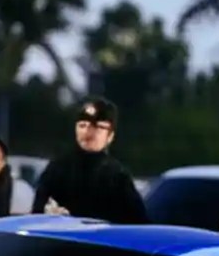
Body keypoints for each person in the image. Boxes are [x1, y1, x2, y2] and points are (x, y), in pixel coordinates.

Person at [30, 96, 147, 224]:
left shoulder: (117, 176)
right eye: (83, 125)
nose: (89, 131)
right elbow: (36, 216)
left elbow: (139, 223)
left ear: (110, 136)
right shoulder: (57, 169)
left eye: (99, 127)